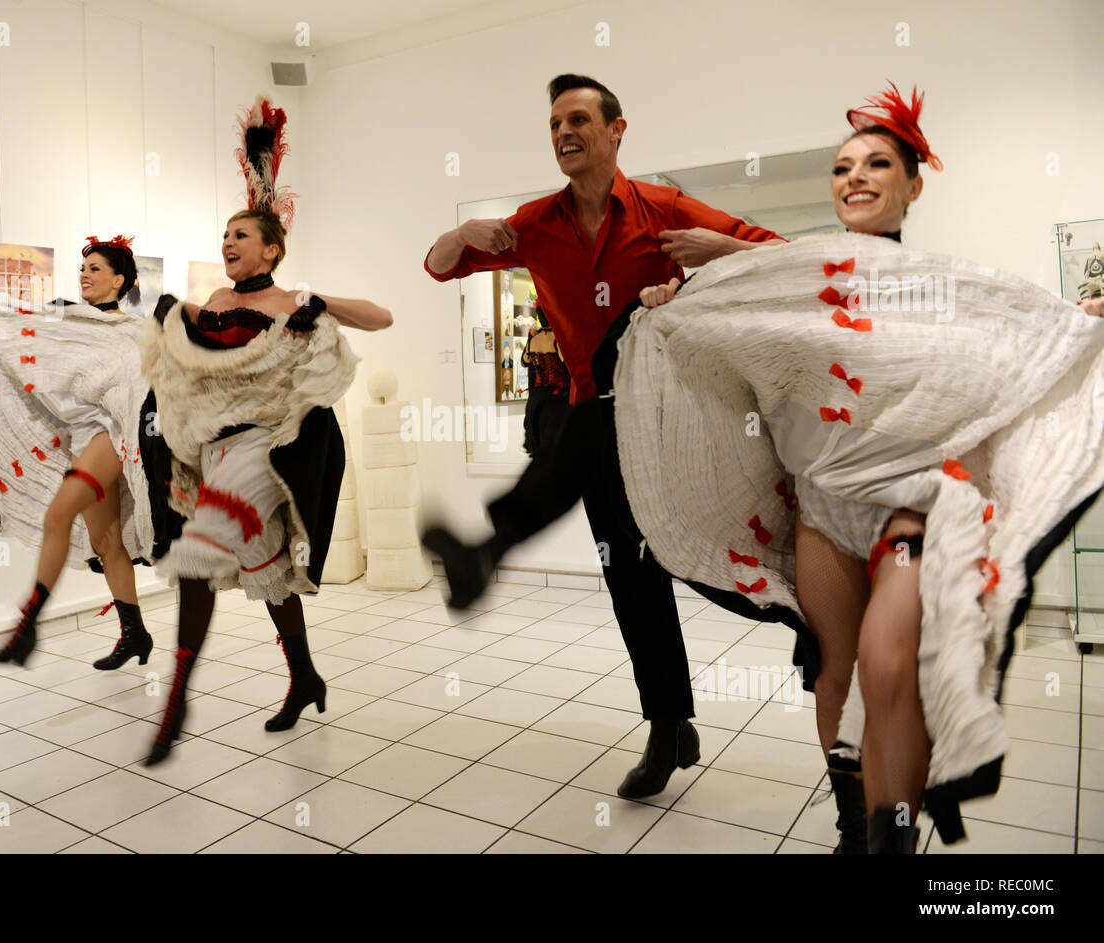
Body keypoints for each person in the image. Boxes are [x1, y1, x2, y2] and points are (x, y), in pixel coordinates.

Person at [613, 84, 1104, 852]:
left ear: (914, 183)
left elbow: (1011, 329)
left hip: (909, 509)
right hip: (822, 511)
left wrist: (1075, 326)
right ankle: (855, 829)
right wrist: (675, 304)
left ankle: (893, 837)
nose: (856, 176)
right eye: (843, 166)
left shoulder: (943, 287)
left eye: (878, 162)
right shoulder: (797, 282)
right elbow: (739, 321)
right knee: (834, 673)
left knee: (886, 662)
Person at [422, 73, 783, 799]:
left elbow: (778, 253)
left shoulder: (663, 210)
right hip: (594, 415)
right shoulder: (537, 223)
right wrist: (462, 234)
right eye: (555, 121)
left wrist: (713, 249)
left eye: (580, 118)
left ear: (617, 131)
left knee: (677, 560)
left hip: (663, 418)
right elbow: (437, 267)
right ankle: (669, 725)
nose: (564, 132)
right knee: (632, 578)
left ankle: (490, 550)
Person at [140, 97, 392, 766]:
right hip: (219, 450)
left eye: (239, 237)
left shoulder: (287, 301)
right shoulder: (216, 302)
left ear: (272, 249)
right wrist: (175, 321)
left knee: (196, 558)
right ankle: (305, 675)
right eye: (223, 237)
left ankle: (177, 698)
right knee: (272, 570)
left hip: (267, 447)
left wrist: (319, 303)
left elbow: (382, 316)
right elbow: (190, 374)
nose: (227, 245)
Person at [0, 235, 157, 670]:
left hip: (113, 434)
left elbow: (137, 391)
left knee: (56, 516)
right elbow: (35, 353)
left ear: (120, 280)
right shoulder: (70, 322)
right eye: (83, 268)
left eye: (96, 269)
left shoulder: (133, 332)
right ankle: (135, 633)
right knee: (106, 543)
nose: (85, 275)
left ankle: (27, 629)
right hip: (83, 438)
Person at [520, 307, 570, 458]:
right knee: (556, 448)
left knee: (540, 449)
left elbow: (524, 361)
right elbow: (566, 362)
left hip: (536, 400)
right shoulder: (557, 339)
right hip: (555, 398)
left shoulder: (534, 340)